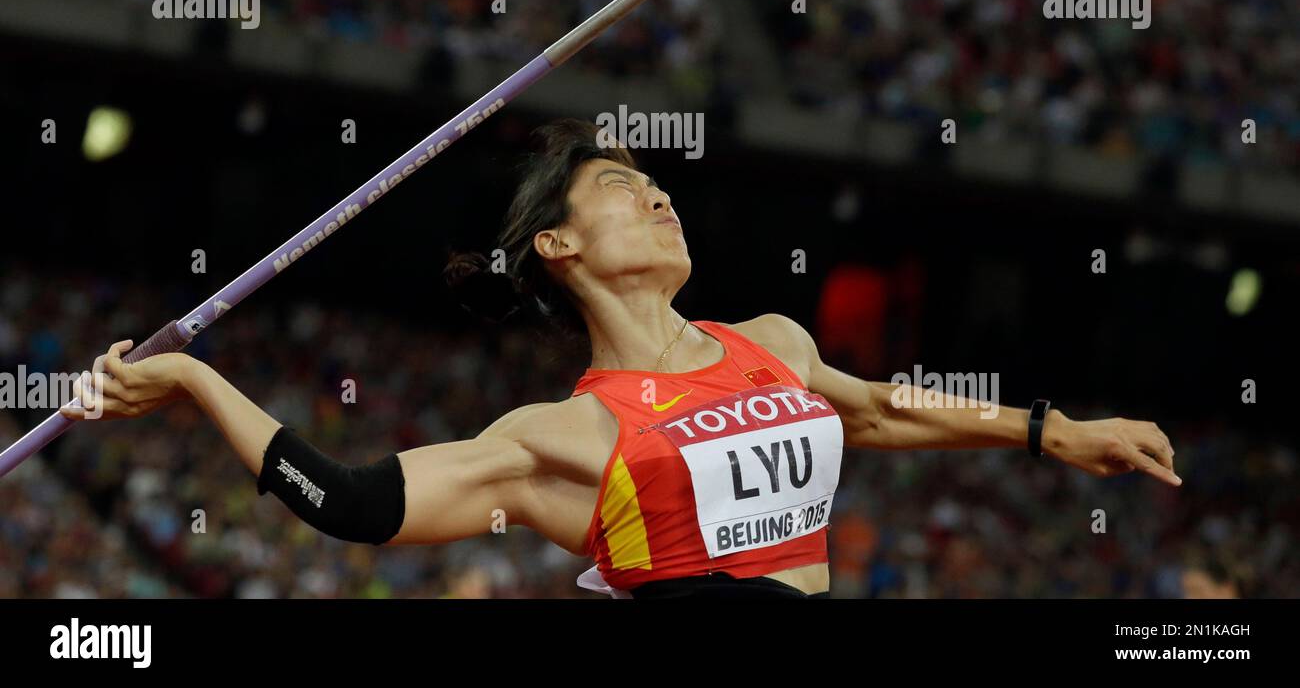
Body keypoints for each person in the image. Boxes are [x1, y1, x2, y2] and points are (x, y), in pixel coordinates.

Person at [62, 118, 1180, 599]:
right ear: (558, 244)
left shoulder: (771, 342)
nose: (656, 193)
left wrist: (1052, 429)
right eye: (619, 188)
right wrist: (198, 378)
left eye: (659, 184)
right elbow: (352, 504)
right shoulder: (562, 434)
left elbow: (879, 410)